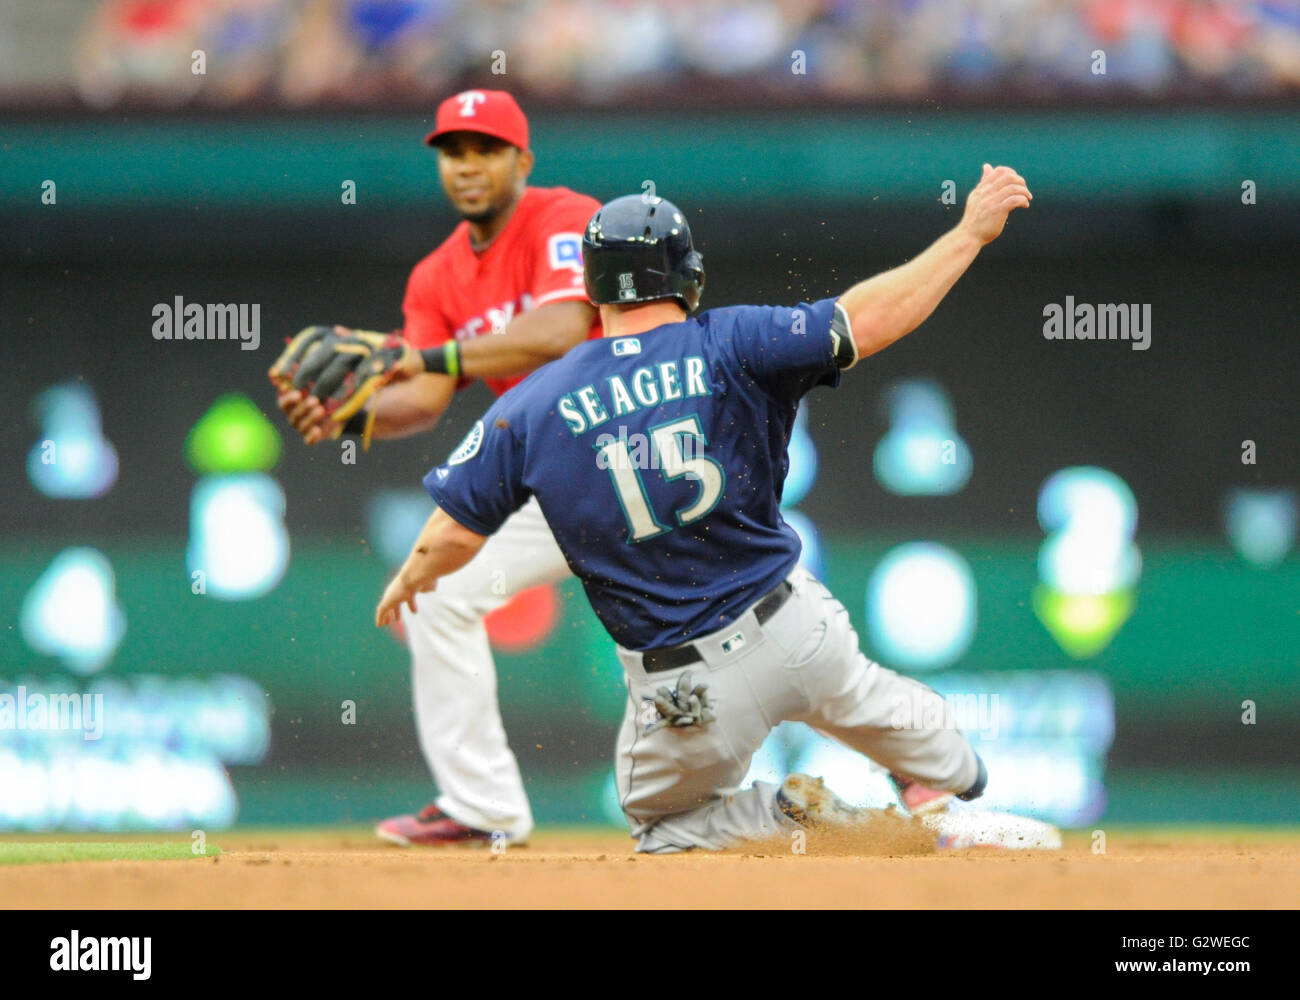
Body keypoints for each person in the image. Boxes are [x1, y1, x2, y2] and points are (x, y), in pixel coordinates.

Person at [373, 165, 1034, 852]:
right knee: (936, 752)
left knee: (664, 828)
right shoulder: (734, 340)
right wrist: (968, 234)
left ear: (593, 287)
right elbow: (866, 318)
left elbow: (450, 532)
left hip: (686, 692)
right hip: (797, 632)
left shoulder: (536, 402)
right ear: (688, 276)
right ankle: (951, 786)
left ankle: (786, 816)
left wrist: (411, 577)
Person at [273, 90, 601, 847]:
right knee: (434, 595)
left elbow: (558, 332)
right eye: (454, 151)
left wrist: (416, 355)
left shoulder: (561, 217)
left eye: (487, 148)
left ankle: (906, 753)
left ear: (522, 160)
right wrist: (349, 415)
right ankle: (481, 804)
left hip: (633, 457)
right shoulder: (437, 275)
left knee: (734, 625)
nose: (468, 165)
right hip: (551, 478)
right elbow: (419, 398)